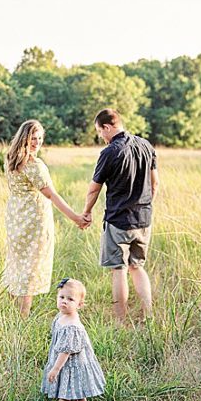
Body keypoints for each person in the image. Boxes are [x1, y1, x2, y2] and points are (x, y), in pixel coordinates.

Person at [2, 120, 88, 318]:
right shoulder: (33, 164)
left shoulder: (11, 159)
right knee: (30, 268)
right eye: (33, 138)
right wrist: (75, 217)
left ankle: (12, 314)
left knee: (17, 262)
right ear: (24, 138)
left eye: (40, 138)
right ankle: (22, 317)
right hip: (32, 220)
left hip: (15, 216)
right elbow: (51, 195)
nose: (37, 142)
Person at [81, 108, 159, 324]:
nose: (101, 137)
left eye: (100, 132)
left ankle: (120, 321)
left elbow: (94, 189)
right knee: (137, 267)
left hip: (118, 221)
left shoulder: (110, 152)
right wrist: (145, 206)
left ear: (107, 127)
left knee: (119, 270)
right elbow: (155, 183)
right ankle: (148, 316)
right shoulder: (146, 146)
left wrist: (86, 212)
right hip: (144, 220)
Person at [41, 278, 105, 401]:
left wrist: (56, 368)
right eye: (61, 297)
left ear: (79, 304)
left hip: (71, 364)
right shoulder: (61, 316)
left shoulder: (72, 326)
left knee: (65, 395)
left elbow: (66, 351)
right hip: (65, 364)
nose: (64, 301)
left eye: (70, 299)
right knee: (77, 391)